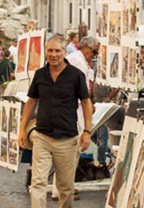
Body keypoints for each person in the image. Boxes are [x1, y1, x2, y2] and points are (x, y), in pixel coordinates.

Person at [19, 35, 92, 208]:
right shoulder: (40, 74)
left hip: (67, 139)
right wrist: (22, 129)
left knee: (65, 187)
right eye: (50, 50)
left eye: (57, 51)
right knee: (37, 183)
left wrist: (87, 131)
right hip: (42, 136)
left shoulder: (76, 75)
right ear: (45, 52)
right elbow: (31, 102)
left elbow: (86, 103)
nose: (53, 54)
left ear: (64, 52)